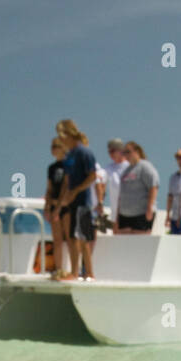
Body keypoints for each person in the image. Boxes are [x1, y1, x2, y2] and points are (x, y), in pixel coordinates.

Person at [54, 119, 98, 280]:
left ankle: (89, 272)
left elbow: (93, 176)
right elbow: (66, 181)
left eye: (62, 134)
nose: (60, 138)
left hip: (84, 201)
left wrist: (76, 191)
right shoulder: (69, 156)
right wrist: (59, 205)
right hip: (71, 203)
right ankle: (74, 272)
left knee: (84, 238)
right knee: (72, 238)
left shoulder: (84, 152)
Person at [115, 142, 160, 233]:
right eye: (124, 153)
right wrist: (117, 216)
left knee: (140, 242)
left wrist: (149, 208)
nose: (126, 155)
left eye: (128, 152)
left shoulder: (145, 166)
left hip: (141, 214)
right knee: (124, 243)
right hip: (125, 215)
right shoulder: (125, 171)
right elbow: (121, 195)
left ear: (137, 151)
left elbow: (153, 186)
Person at [43, 136, 68, 274]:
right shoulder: (52, 168)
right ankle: (59, 268)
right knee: (57, 239)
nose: (52, 149)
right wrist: (47, 207)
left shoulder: (68, 165)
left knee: (70, 239)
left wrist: (59, 207)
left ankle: (71, 269)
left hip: (65, 206)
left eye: (55, 146)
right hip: (53, 205)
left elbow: (66, 187)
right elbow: (49, 188)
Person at [104, 140, 128, 224]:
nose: (110, 154)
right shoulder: (108, 168)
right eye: (109, 151)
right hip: (115, 214)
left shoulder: (130, 167)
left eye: (112, 151)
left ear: (121, 150)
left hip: (131, 211)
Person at [166, 149, 181, 231]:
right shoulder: (173, 177)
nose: (179, 160)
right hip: (174, 217)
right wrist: (167, 215)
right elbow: (170, 197)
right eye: (177, 157)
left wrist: (180, 217)